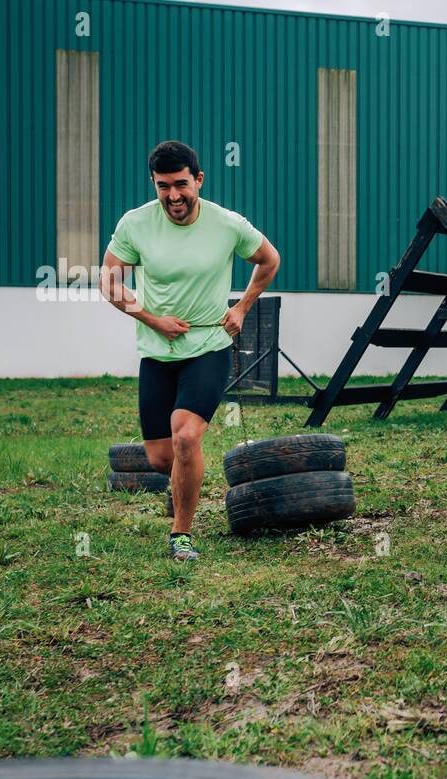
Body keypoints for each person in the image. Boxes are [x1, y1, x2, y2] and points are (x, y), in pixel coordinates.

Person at [101, 141, 280, 561]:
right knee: (161, 458)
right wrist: (150, 318)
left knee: (186, 435)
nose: (173, 196)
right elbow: (109, 281)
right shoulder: (135, 224)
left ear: (198, 180)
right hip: (157, 352)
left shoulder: (227, 223)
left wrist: (242, 307)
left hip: (208, 346)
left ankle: (181, 535)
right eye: (163, 187)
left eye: (181, 184)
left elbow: (269, 259)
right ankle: (184, 487)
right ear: (154, 184)